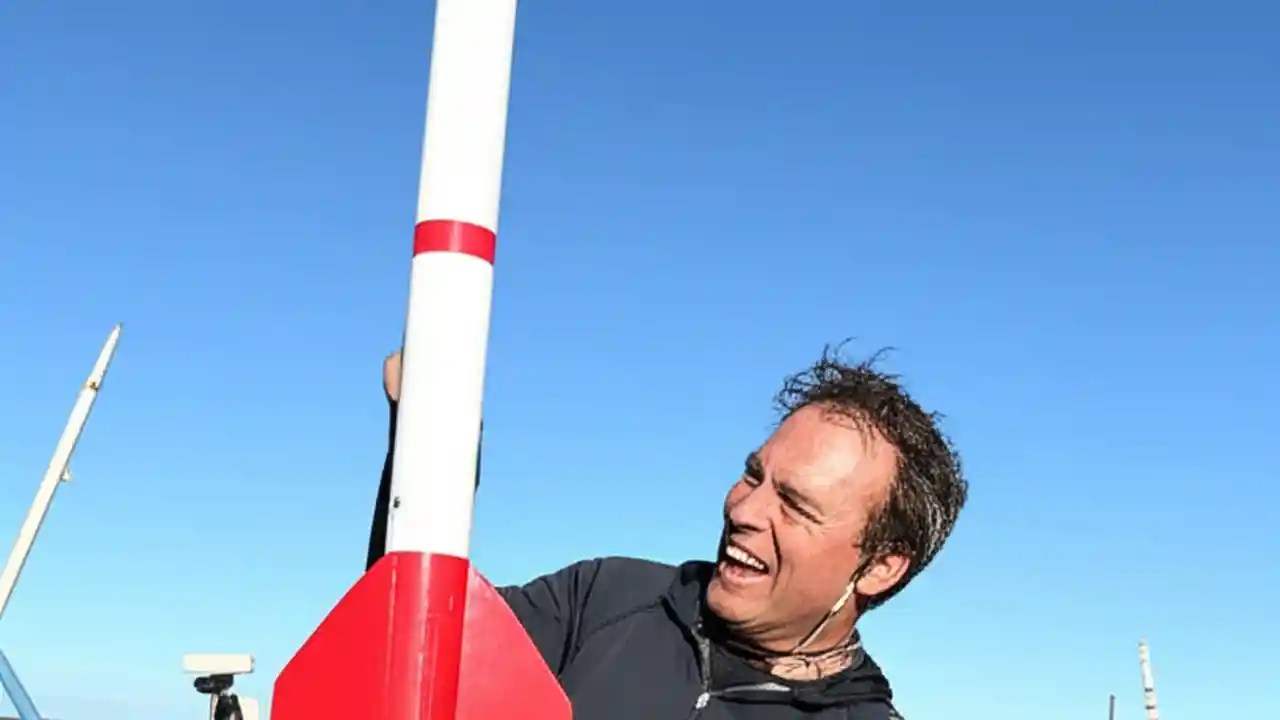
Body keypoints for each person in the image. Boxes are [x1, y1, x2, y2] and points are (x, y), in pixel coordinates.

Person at [367, 346, 967, 720]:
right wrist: (429, 454)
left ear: (881, 566)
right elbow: (406, 649)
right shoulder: (603, 597)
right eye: (753, 475)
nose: (746, 510)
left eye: (795, 504)